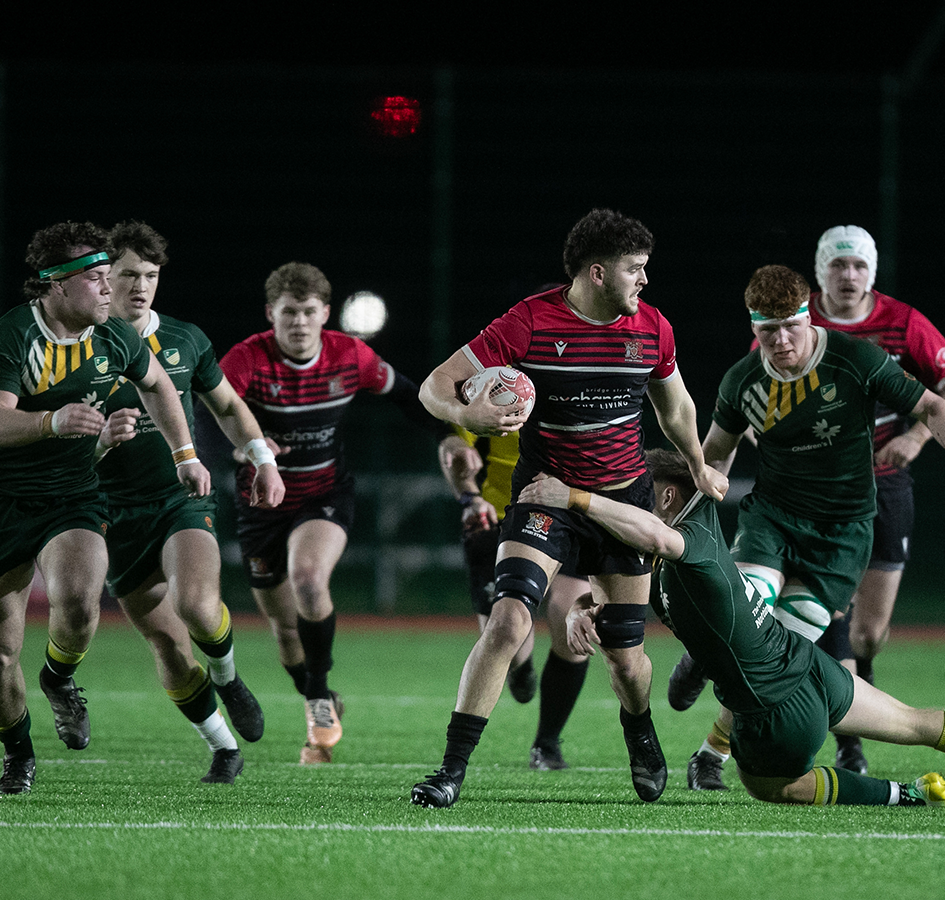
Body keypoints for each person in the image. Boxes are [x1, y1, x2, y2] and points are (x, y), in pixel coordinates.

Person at [520, 449, 945, 806]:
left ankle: (905, 794)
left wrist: (573, 497)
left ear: (665, 498)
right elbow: (629, 590)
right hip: (807, 665)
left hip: (771, 706)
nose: (626, 507)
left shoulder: (686, 537)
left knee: (767, 786)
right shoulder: (670, 550)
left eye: (635, 498)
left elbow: (659, 539)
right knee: (913, 722)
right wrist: (582, 611)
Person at [411, 208, 727, 808]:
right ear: (600, 273)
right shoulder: (530, 321)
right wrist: (466, 413)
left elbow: (677, 408)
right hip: (545, 498)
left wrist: (696, 462)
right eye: (636, 269)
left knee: (626, 657)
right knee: (508, 622)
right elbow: (434, 386)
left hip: (621, 501)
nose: (645, 280)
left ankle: (639, 732)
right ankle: (451, 770)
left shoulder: (652, 329)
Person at [670, 263, 945, 792]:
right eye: (766, 331)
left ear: (808, 317)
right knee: (746, 612)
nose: (780, 341)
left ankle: (711, 751)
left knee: (776, 656)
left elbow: (933, 405)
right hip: (771, 519)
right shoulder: (742, 381)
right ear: (753, 328)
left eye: (789, 327)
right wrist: (691, 515)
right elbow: (715, 458)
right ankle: (703, 656)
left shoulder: (855, 358)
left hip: (842, 535)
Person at [0, 222, 210, 795]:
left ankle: (58, 678)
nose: (107, 290)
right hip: (5, 502)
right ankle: (18, 754)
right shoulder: (16, 334)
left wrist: (185, 454)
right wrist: (52, 420)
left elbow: (161, 387)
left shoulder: (113, 335)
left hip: (71, 497)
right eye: (95, 279)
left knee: (78, 599)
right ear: (55, 287)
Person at [221, 261, 445, 764]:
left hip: (324, 493)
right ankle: (317, 693)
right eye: (287, 313)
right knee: (283, 628)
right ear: (270, 315)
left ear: (325, 313)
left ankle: (318, 700)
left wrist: (452, 436)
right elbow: (209, 413)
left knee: (307, 579)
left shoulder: (349, 355)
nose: (298, 322)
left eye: (307, 311)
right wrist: (239, 449)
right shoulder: (246, 359)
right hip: (260, 504)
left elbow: (409, 395)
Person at [95, 222, 285, 784]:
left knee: (198, 606)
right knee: (167, 644)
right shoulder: (79, 346)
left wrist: (262, 458)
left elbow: (225, 404)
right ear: (102, 278)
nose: (140, 286)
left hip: (182, 498)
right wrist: (99, 436)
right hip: (112, 511)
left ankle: (228, 677)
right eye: (128, 274)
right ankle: (223, 747)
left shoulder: (182, 339)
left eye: (150, 276)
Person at [803, 225, 945, 774]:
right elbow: (756, 386)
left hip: (885, 482)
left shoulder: (901, 322)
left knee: (869, 631)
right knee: (825, 608)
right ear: (821, 270)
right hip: (818, 487)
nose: (848, 275)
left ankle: (856, 696)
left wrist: (917, 436)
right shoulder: (797, 319)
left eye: (858, 266)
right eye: (838, 265)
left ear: (871, 272)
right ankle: (848, 741)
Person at [437, 427, 592, 769]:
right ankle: (520, 671)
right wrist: (467, 496)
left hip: (574, 513)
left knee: (571, 619)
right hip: (500, 517)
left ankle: (547, 743)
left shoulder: (587, 381)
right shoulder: (497, 379)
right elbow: (453, 440)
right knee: (509, 634)